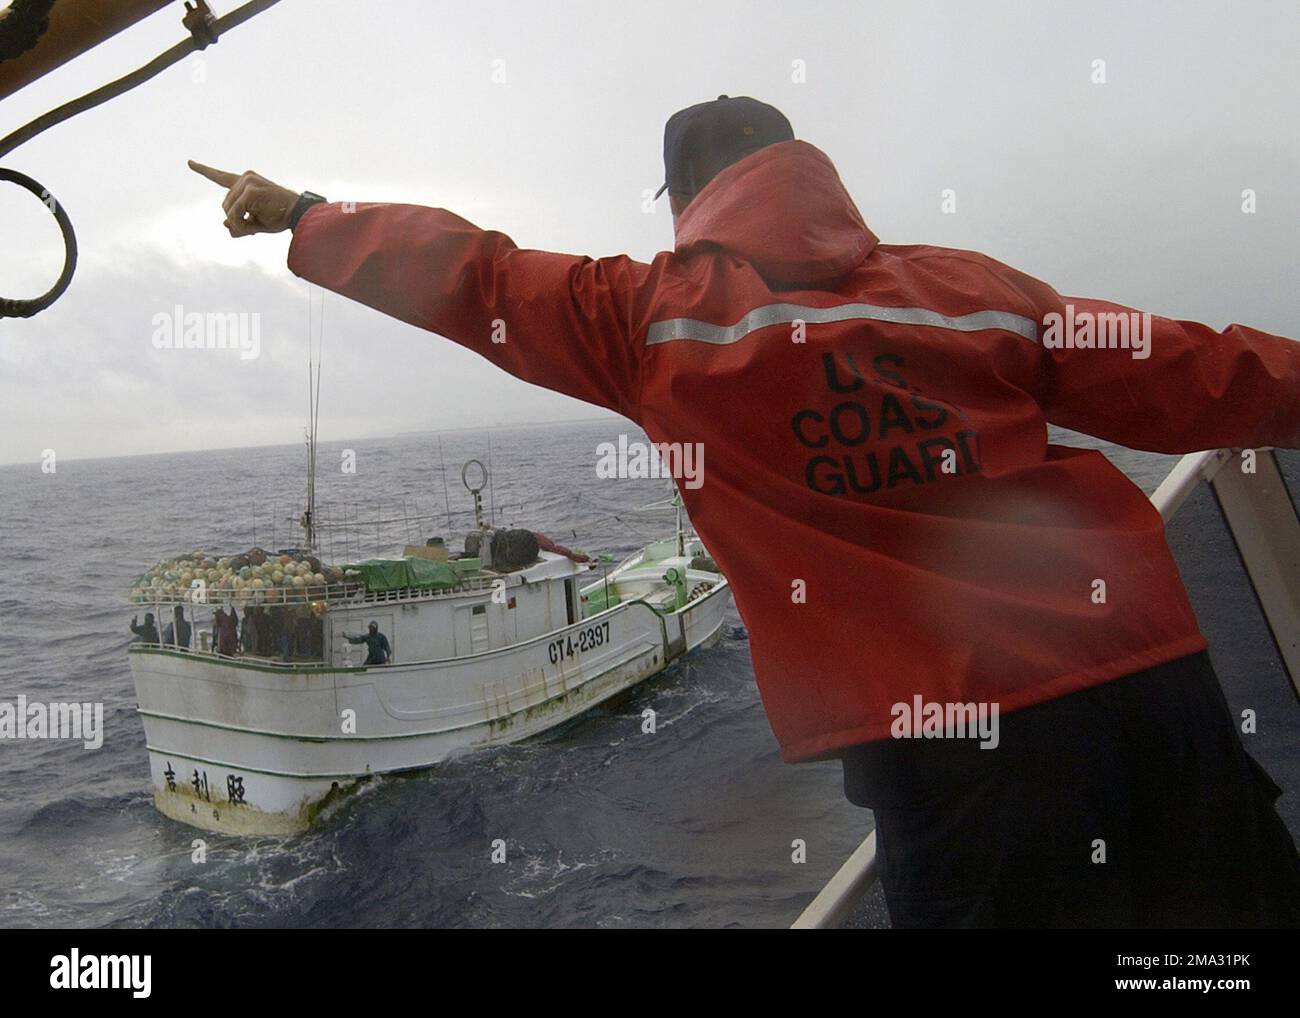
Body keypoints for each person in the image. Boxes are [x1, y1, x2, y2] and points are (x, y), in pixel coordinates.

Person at [188, 95, 1300, 928]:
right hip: (1156, 689)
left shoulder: (644, 318)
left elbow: (473, 276)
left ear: (688, 206)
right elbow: (1191, 369)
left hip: (963, 752)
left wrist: (304, 214)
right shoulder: (967, 289)